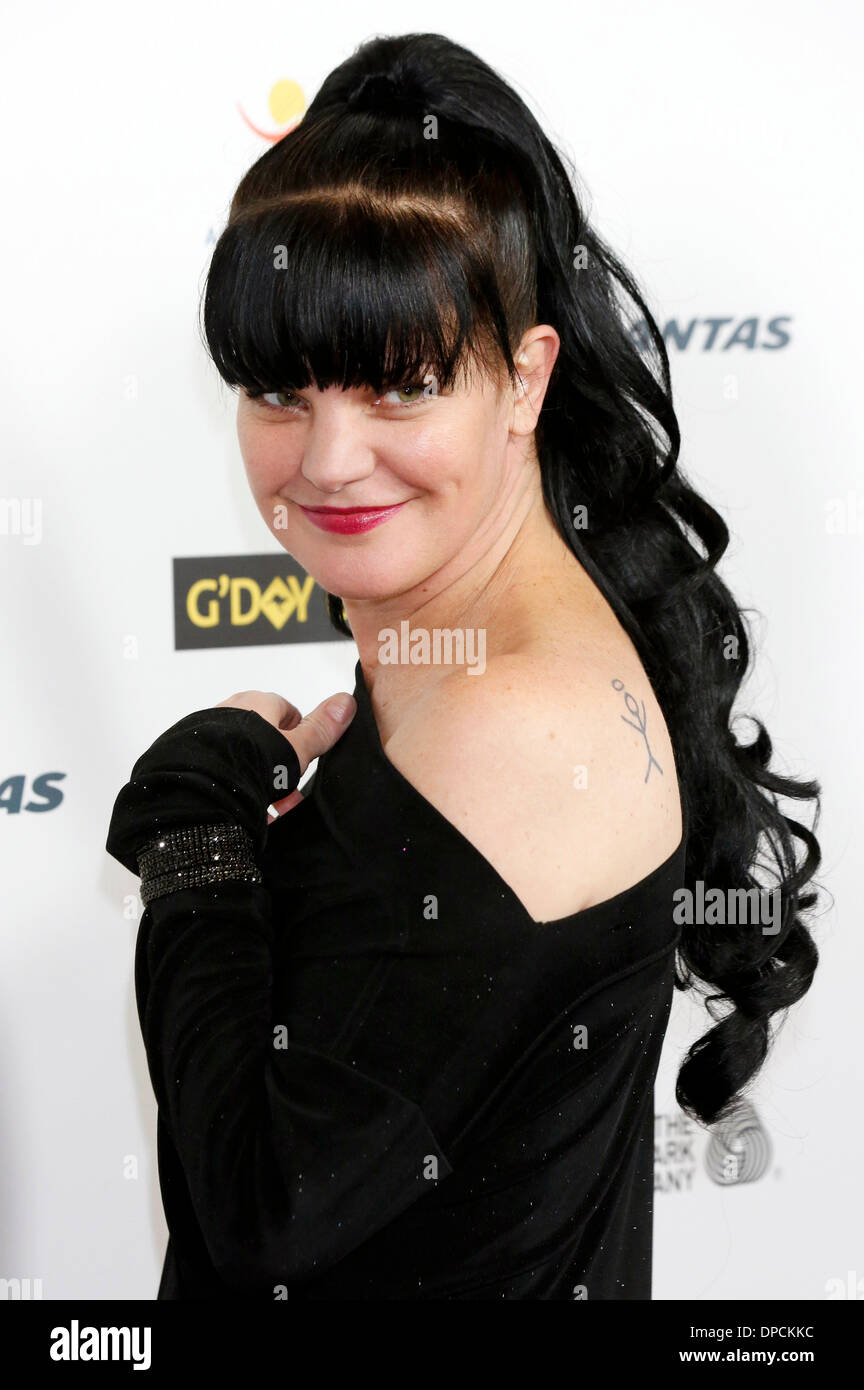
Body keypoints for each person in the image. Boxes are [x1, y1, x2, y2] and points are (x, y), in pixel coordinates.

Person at [105, 31, 821, 1299]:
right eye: (280, 390)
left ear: (525, 378)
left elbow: (267, 1210)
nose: (325, 461)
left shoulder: (514, 724)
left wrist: (193, 835)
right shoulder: (499, 622)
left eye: (399, 389)